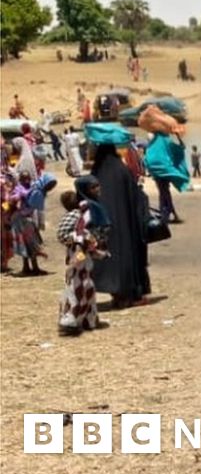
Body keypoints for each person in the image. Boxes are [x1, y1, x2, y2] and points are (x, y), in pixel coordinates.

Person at [90, 144, 150, 308]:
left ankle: (116, 295)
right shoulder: (121, 170)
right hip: (124, 224)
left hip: (101, 225)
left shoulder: (96, 171)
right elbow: (135, 197)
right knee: (126, 256)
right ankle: (128, 297)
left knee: (108, 258)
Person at [57, 180, 110, 335]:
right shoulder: (80, 233)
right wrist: (75, 262)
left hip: (83, 269)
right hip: (78, 270)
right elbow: (81, 250)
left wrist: (100, 254)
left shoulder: (83, 233)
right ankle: (70, 322)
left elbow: (90, 249)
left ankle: (89, 319)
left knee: (88, 292)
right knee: (77, 294)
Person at [10, 171, 56, 276]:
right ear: (20, 180)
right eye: (24, 179)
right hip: (20, 219)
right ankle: (26, 267)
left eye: (28, 178)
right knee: (25, 243)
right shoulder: (20, 189)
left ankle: (34, 267)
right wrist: (21, 196)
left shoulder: (35, 189)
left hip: (27, 219)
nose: (27, 181)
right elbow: (13, 199)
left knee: (30, 243)